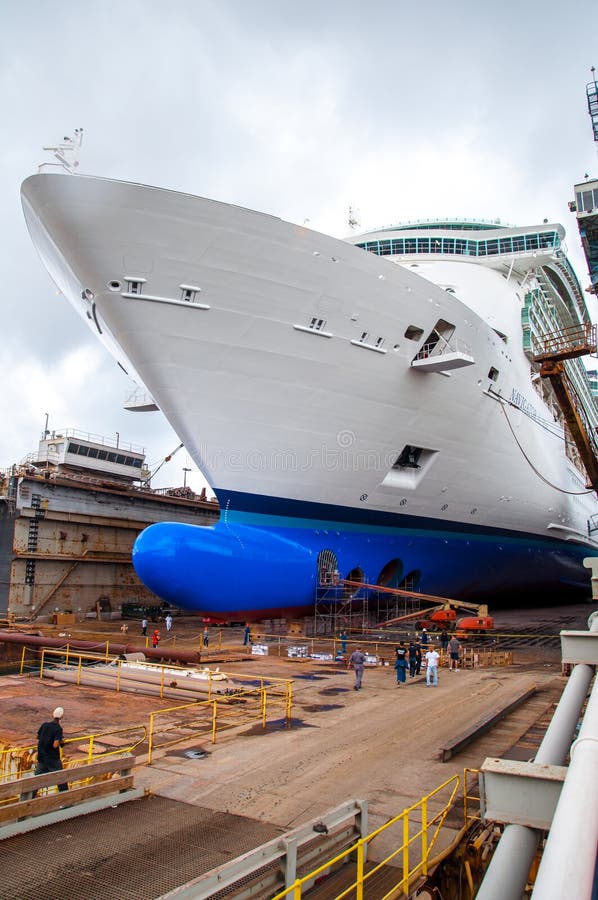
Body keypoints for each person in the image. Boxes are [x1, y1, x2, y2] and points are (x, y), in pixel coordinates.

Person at [35, 707, 68, 792]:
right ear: (62, 717)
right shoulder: (58, 729)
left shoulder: (44, 725)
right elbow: (55, 745)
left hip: (41, 757)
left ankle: (27, 800)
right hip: (52, 759)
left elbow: (38, 736)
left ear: (52, 715)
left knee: (35, 782)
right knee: (61, 781)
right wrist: (61, 741)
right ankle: (66, 800)